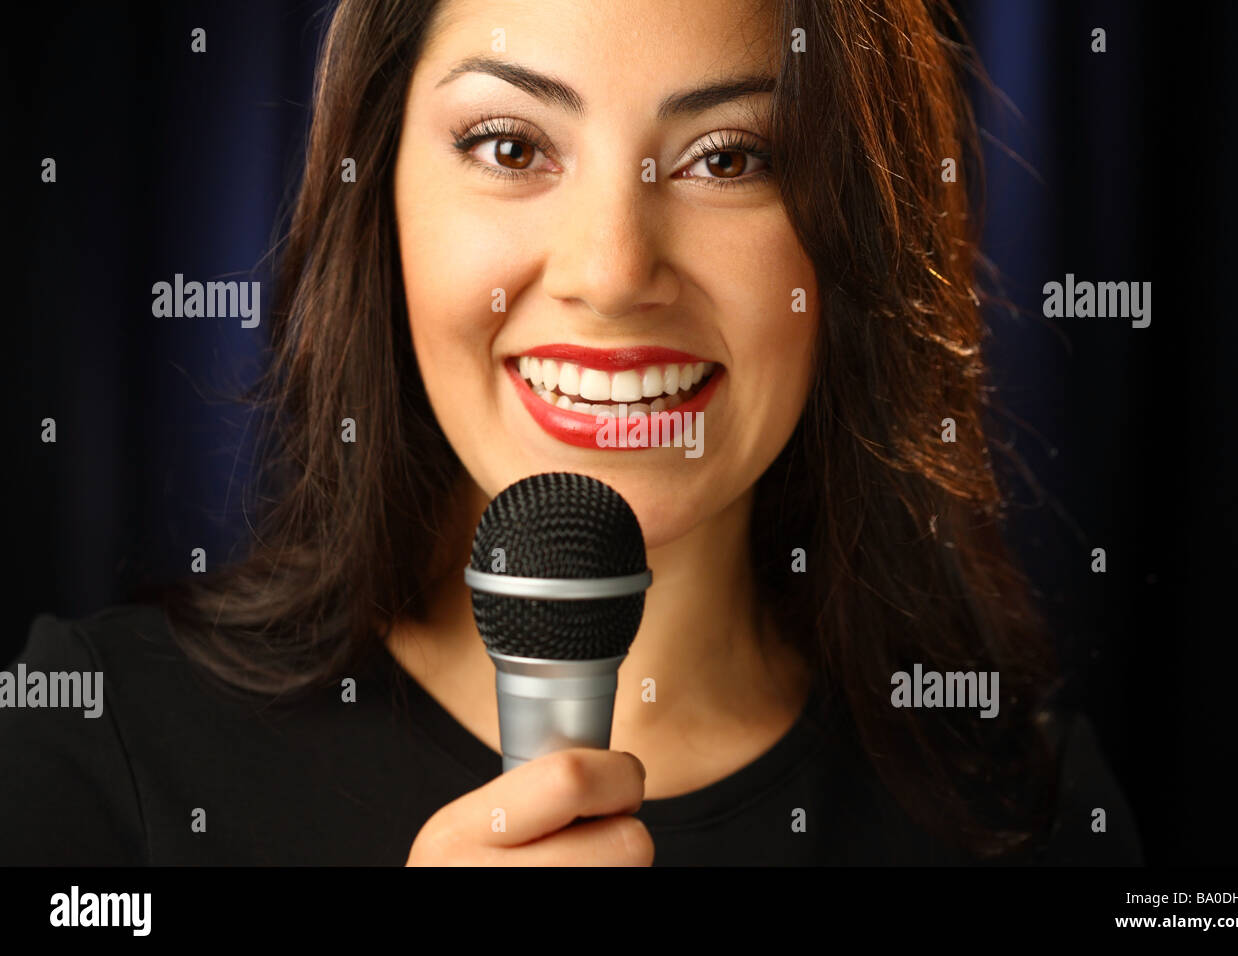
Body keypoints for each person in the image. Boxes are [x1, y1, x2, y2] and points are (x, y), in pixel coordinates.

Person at [0, 0, 1141, 866]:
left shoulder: (1030, 804)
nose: (611, 273)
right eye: (509, 145)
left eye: (729, 157)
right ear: (377, 189)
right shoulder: (99, 751)